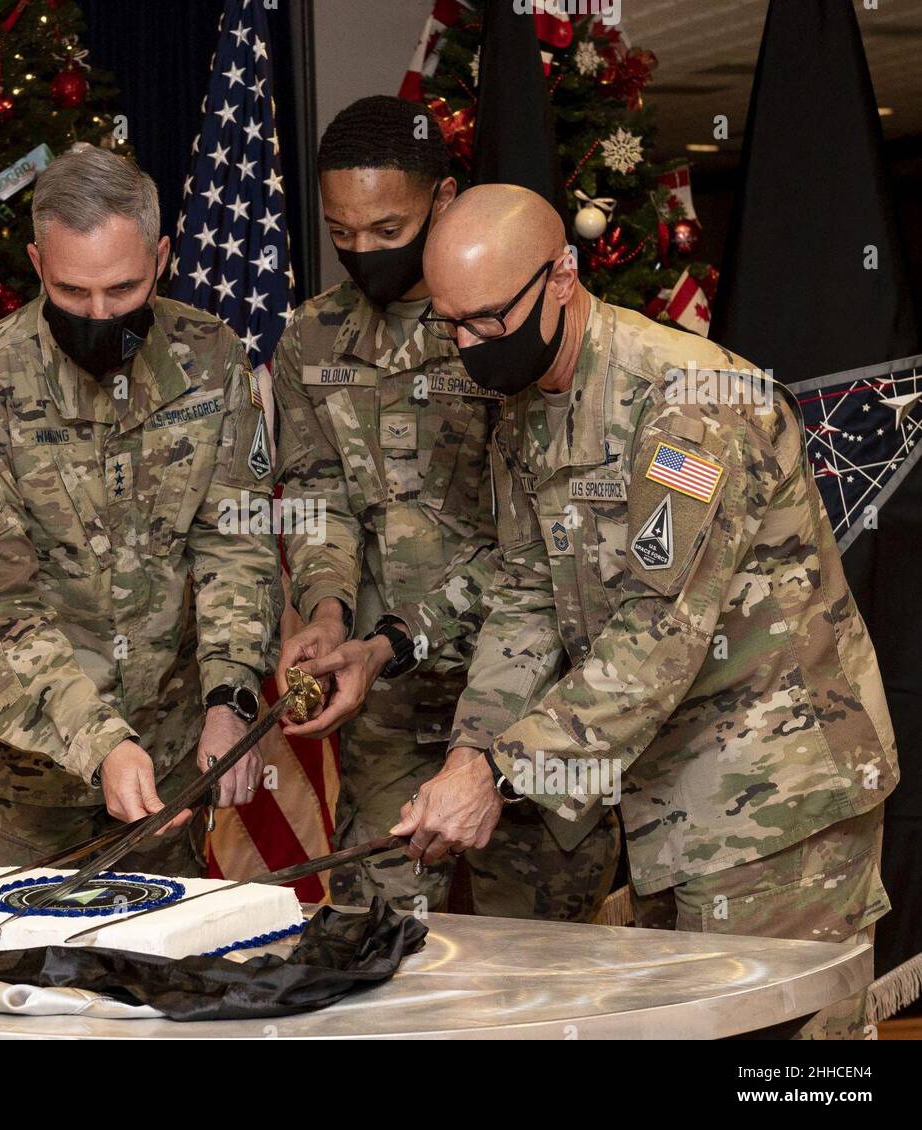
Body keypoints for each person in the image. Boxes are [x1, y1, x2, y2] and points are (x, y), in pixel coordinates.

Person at [311, 183, 897, 1038]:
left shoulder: (693, 402)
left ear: (562, 275)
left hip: (778, 796)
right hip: (667, 801)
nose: (469, 347)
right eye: (450, 325)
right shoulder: (532, 401)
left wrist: (500, 772)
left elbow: (659, 635)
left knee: (792, 1069)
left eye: (486, 320)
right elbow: (525, 591)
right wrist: (472, 749)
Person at [273, 97, 618, 918]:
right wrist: (326, 611)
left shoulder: (508, 330)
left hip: (531, 691)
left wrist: (398, 639)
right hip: (382, 696)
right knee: (376, 938)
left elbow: (533, 552)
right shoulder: (311, 341)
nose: (364, 254)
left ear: (444, 198)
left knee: (542, 952)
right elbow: (319, 493)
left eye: (388, 232)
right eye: (342, 234)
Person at [0, 146, 282, 876]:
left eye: (123, 289)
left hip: (170, 751)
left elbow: (234, 545)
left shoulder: (211, 362)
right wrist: (100, 742)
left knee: (159, 973)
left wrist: (231, 694)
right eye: (72, 292)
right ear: (36, 264)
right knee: (11, 975)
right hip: (24, 780)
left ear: (162, 256)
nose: (99, 313)